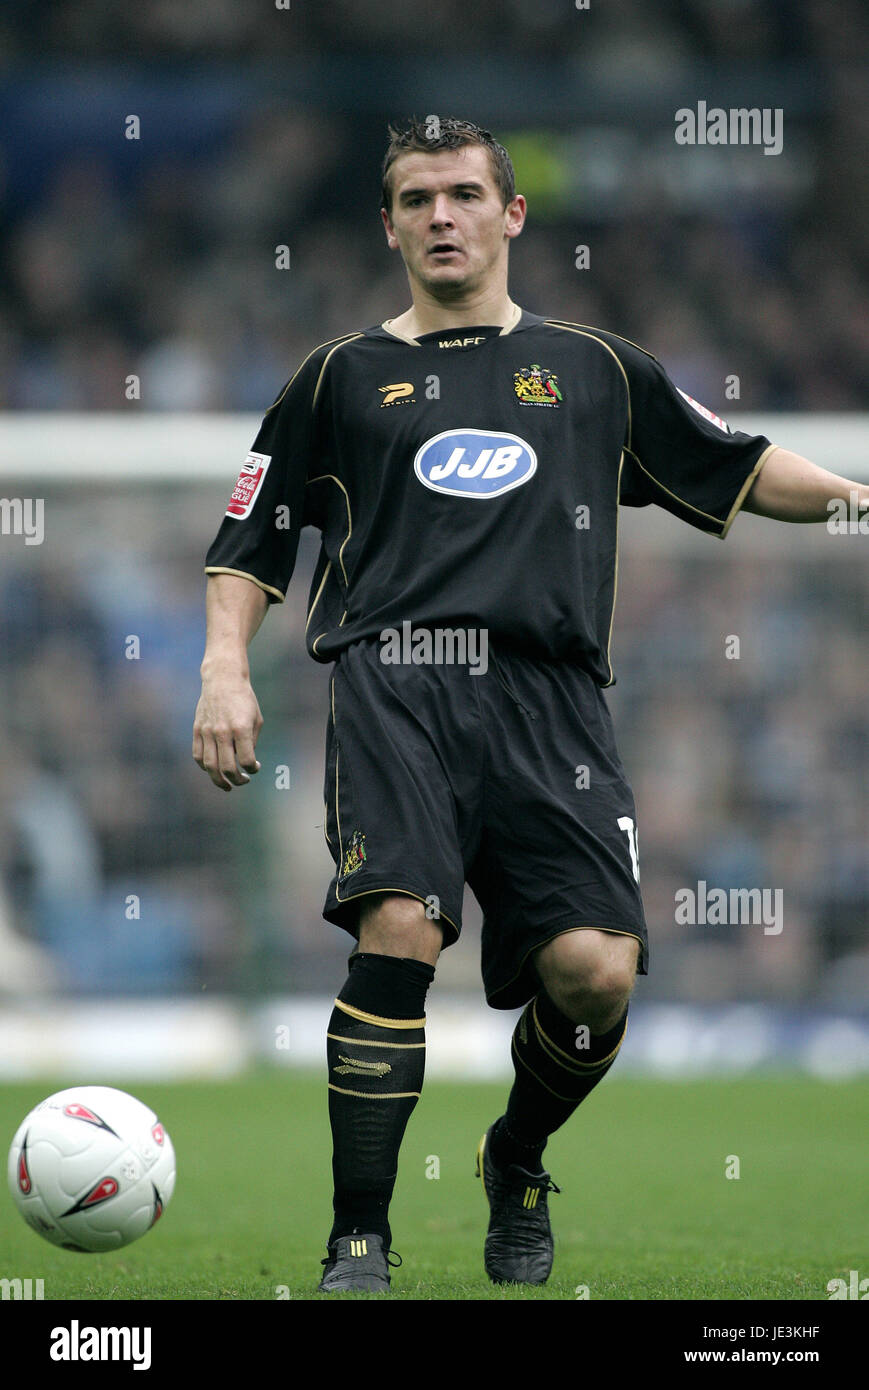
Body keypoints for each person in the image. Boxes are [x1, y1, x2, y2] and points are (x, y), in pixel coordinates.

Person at [193, 116, 867, 1294]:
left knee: (595, 973)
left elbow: (745, 466)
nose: (440, 217)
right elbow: (251, 539)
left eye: (462, 194)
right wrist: (221, 666)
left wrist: (863, 503)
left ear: (511, 216)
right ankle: (361, 1233)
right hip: (394, 680)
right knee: (397, 925)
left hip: (548, 698)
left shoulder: (596, 368)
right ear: (390, 224)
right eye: (416, 199)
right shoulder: (336, 376)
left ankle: (514, 1155)